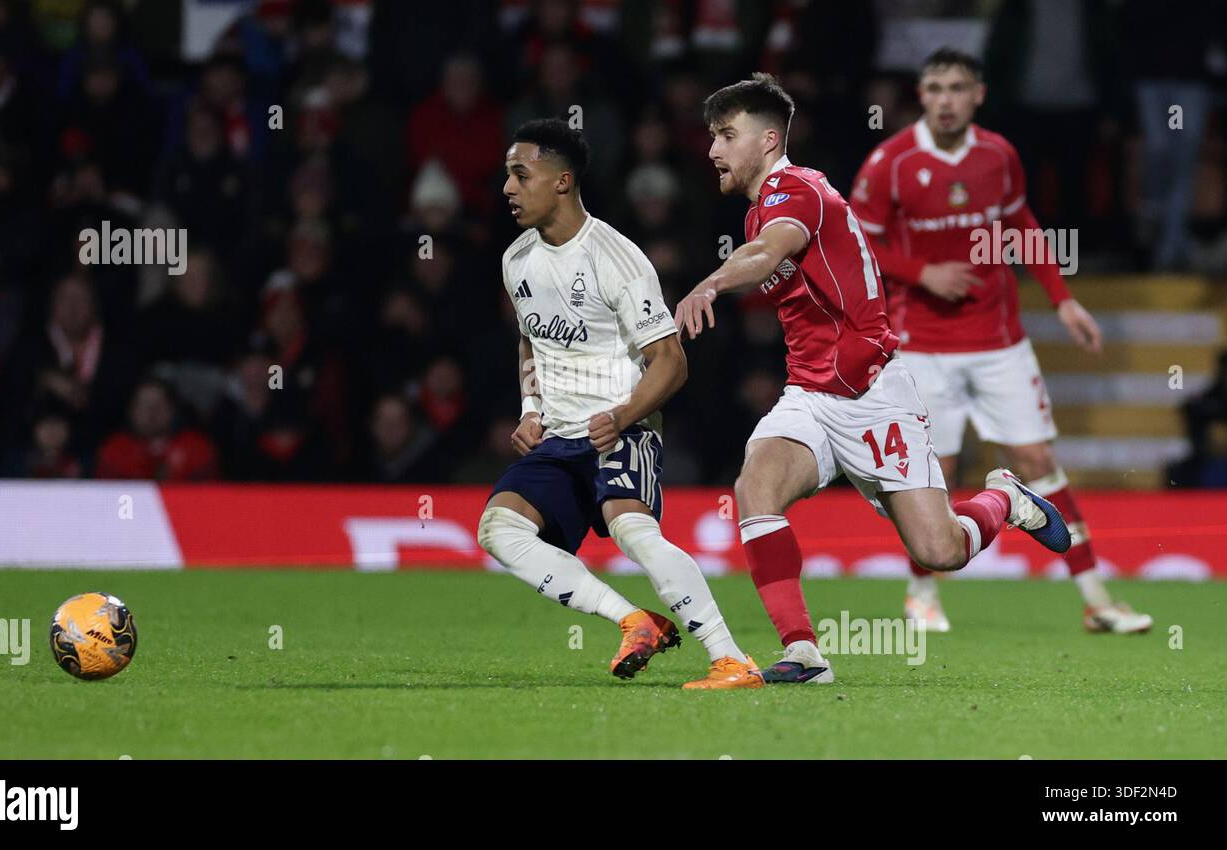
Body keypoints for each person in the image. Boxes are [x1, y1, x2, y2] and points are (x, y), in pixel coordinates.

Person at [674, 73, 1073, 684]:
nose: (713, 150)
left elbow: (764, 254)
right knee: (756, 488)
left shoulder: (796, 192)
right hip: (809, 394)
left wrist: (710, 282)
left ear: (769, 140)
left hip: (871, 395)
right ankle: (804, 653)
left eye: (727, 135)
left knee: (940, 551)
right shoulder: (760, 211)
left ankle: (1005, 498)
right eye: (712, 137)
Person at [851, 48, 1151, 635]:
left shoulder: (998, 154)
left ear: (978, 94)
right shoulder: (890, 161)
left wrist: (1062, 298)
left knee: (1039, 461)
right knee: (936, 470)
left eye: (957, 87)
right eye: (934, 88)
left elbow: (1022, 225)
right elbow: (861, 243)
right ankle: (922, 596)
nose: (944, 99)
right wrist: (921, 274)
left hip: (999, 342)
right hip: (922, 346)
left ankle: (1098, 600)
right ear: (922, 94)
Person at [477, 118, 762, 690]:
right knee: (498, 529)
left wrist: (624, 416)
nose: (507, 188)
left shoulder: (618, 259)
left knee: (633, 533)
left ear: (562, 181)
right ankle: (634, 620)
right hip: (558, 434)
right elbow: (531, 341)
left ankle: (732, 658)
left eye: (519, 174)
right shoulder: (516, 260)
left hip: (622, 428)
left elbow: (672, 361)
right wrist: (531, 407)